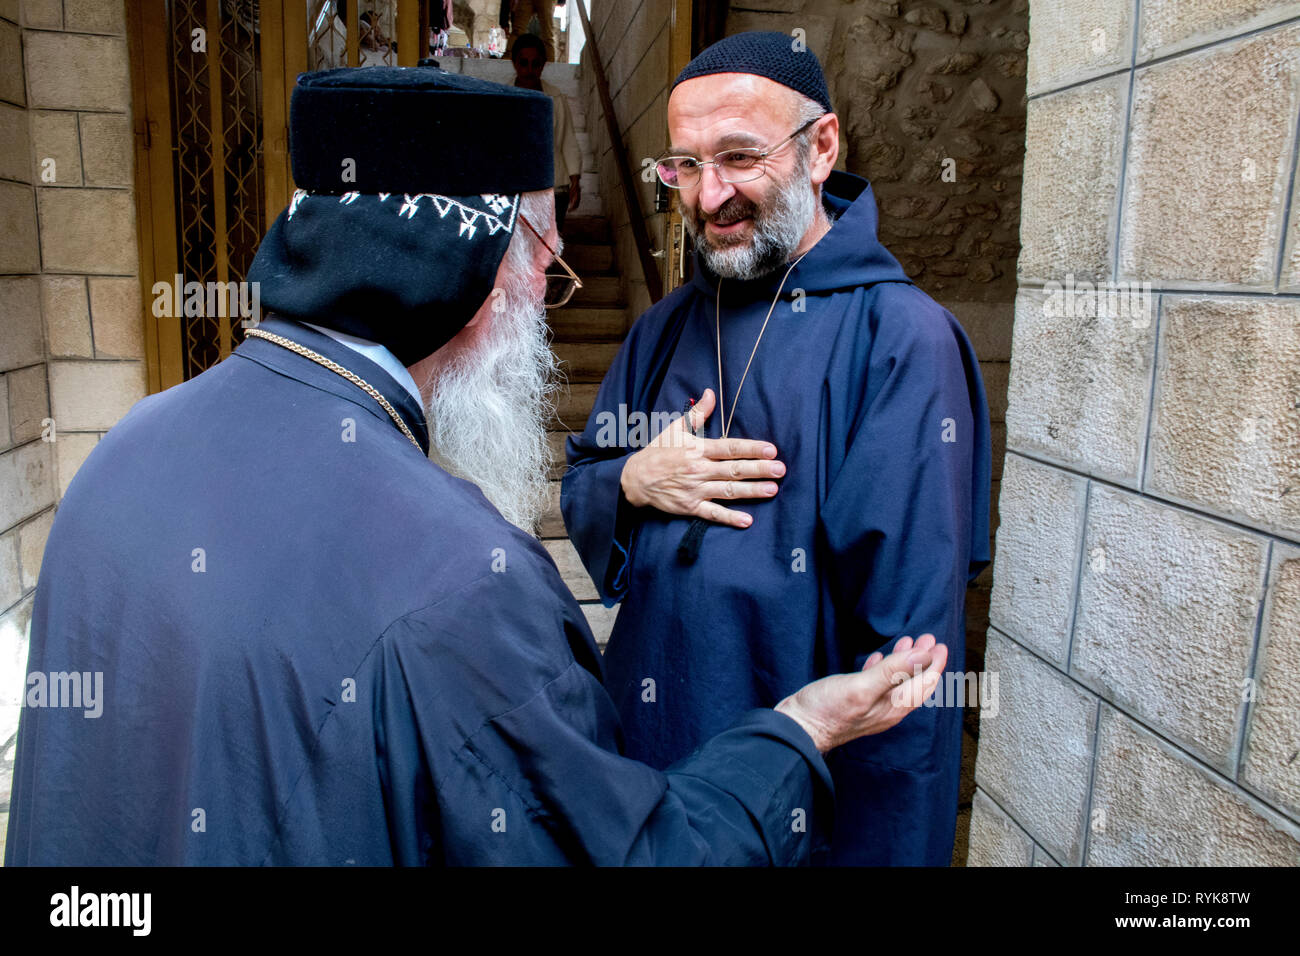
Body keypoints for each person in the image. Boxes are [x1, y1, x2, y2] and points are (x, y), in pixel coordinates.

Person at [3, 66, 949, 866]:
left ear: (820, 149)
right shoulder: (462, 582)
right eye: (544, 253)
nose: (548, 290)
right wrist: (799, 730)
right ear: (476, 268)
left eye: (739, 157)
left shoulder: (126, 448)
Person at [561, 32, 993, 866]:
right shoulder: (664, 329)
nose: (708, 194)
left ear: (821, 147)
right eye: (683, 166)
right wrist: (633, 479)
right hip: (650, 760)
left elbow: (905, 669)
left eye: (737, 157)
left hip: (803, 800)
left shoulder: (900, 341)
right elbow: (586, 478)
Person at [512, 33, 580, 234]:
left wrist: (575, 179)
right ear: (514, 63)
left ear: (543, 65)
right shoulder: (502, 96)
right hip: (514, 189)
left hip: (553, 187)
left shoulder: (556, 97)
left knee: (546, 253)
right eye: (524, 63)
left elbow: (568, 139)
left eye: (536, 64)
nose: (529, 70)